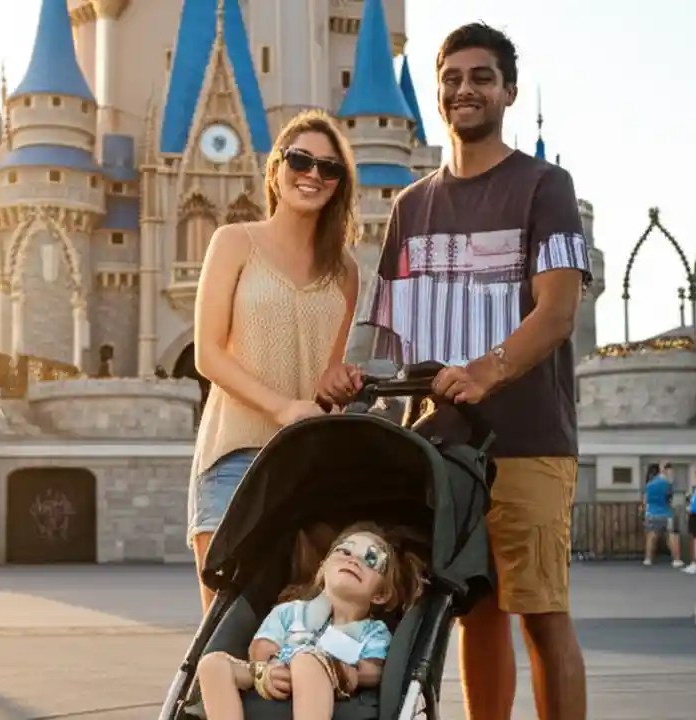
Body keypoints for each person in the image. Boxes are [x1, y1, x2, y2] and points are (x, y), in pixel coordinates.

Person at [323, 22, 592, 720]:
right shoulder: (410, 207)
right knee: (476, 612)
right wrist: (346, 380)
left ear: (506, 90)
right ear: (436, 96)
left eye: (481, 77)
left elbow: (557, 312)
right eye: (452, 79)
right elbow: (383, 337)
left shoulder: (543, 186)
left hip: (527, 441)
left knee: (541, 612)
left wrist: (486, 371)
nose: (465, 89)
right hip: (439, 450)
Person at [189, 109, 361, 612]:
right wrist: (283, 408)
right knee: (223, 632)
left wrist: (340, 385)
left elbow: (326, 379)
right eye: (301, 160)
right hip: (234, 456)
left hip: (306, 467)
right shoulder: (234, 242)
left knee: (296, 631)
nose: (313, 174)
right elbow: (208, 354)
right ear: (276, 168)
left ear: (340, 184)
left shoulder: (347, 272)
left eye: (329, 168)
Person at [195, 523, 423, 719]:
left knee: (307, 661)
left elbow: (374, 670)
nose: (354, 560)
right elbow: (262, 645)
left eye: (371, 559)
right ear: (322, 569)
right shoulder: (290, 611)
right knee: (213, 664)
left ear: (380, 594)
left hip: (330, 680)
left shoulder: (373, 631)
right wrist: (269, 668)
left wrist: (351, 674)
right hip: (274, 675)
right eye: (345, 551)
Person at [642, 463, 683, 567]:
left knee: (651, 536)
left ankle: (648, 559)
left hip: (651, 513)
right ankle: (676, 560)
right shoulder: (667, 484)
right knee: (671, 536)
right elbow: (669, 499)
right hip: (666, 513)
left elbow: (645, 500)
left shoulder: (649, 485)